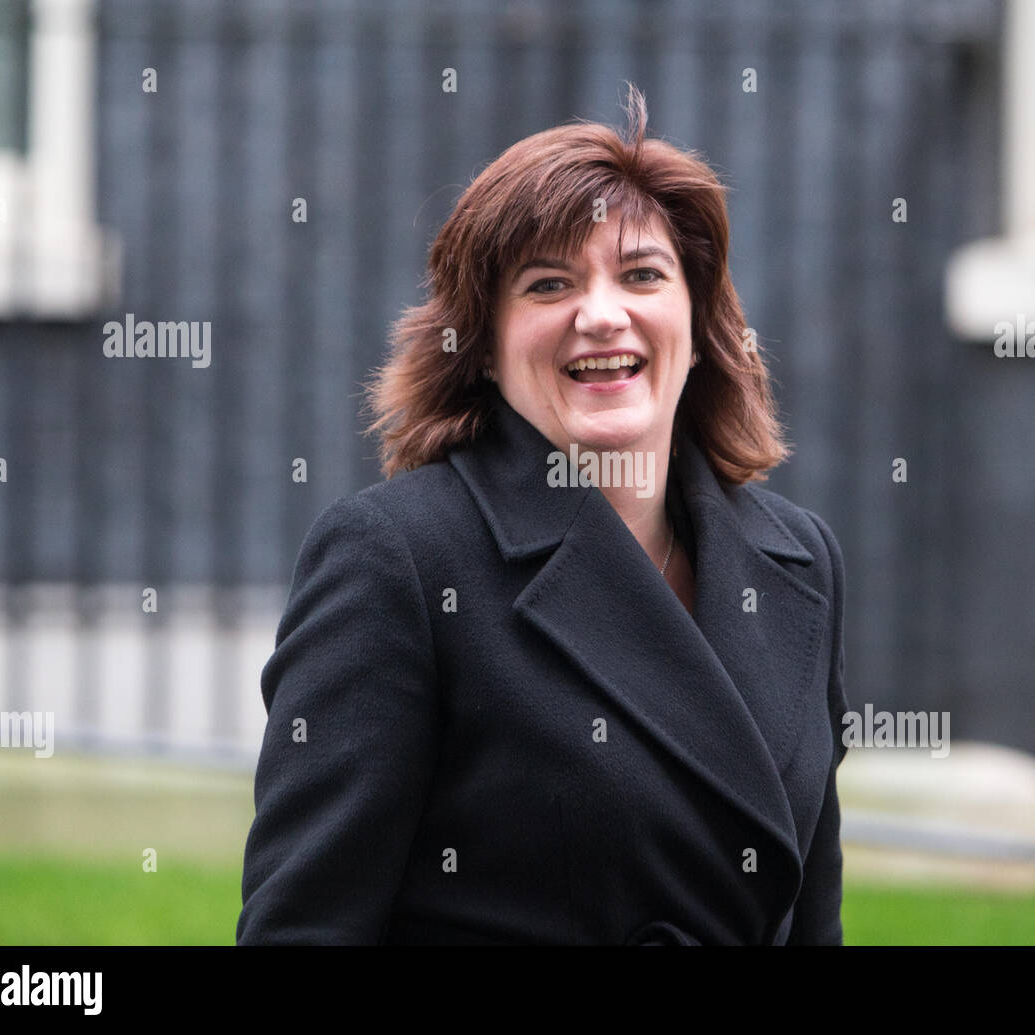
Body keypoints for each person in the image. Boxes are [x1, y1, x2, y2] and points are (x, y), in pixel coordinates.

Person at [236, 83, 849, 945]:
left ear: (698, 320)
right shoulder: (398, 559)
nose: (601, 315)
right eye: (548, 284)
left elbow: (814, 922)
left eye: (642, 274)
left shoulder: (798, 560)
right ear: (484, 347)